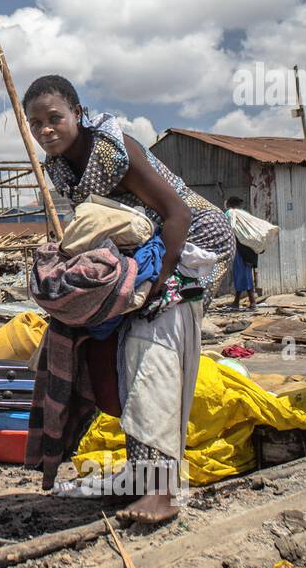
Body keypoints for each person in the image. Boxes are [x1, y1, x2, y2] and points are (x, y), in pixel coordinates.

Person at [24, 75, 234, 524]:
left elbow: (176, 212)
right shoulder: (61, 166)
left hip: (192, 241)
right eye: (35, 122)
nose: (46, 129)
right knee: (120, 354)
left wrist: (156, 280)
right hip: (149, 250)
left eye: (55, 118)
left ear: (78, 113)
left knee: (149, 354)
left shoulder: (113, 149)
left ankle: (160, 492)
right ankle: (148, 481)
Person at [224, 196, 260, 310]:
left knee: (243, 275)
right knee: (243, 275)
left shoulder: (230, 213)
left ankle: (253, 302)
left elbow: (226, 228)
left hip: (238, 248)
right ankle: (237, 302)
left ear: (229, 203)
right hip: (248, 248)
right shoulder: (245, 214)